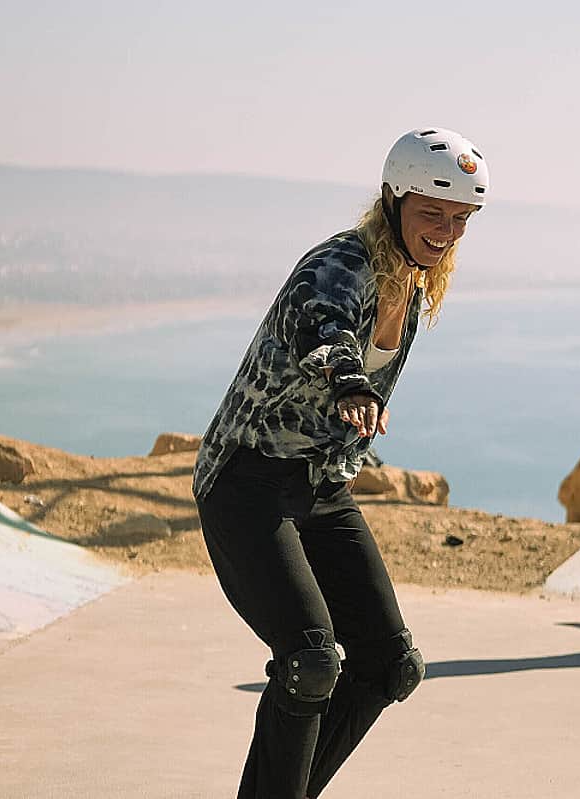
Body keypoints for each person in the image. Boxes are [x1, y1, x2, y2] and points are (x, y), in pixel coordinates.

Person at [193, 128, 488, 797]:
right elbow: (324, 329)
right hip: (247, 480)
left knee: (390, 664)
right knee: (308, 660)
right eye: (432, 214)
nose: (445, 232)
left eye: (460, 220)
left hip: (319, 487)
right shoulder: (340, 266)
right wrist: (350, 382)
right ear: (392, 200)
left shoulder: (412, 285)